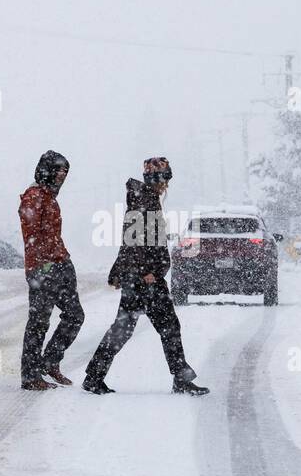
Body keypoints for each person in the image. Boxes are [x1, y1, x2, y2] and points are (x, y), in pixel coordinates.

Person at [83, 157, 209, 396]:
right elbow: (133, 240)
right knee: (164, 326)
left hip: (142, 276)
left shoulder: (147, 198)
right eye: (164, 179)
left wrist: (121, 269)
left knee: (131, 327)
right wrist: (145, 272)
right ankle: (180, 379)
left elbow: (131, 240)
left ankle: (94, 376)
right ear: (154, 179)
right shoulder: (143, 199)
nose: (166, 185)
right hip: (145, 279)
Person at [18, 150, 83, 390]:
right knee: (38, 321)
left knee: (75, 316)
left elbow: (52, 236)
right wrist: (46, 265)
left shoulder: (50, 197)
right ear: (46, 170)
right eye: (58, 169)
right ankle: (30, 376)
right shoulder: (34, 196)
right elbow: (32, 236)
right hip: (42, 268)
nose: (62, 175)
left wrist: (63, 260)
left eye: (65, 170)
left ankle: (50, 362)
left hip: (59, 264)